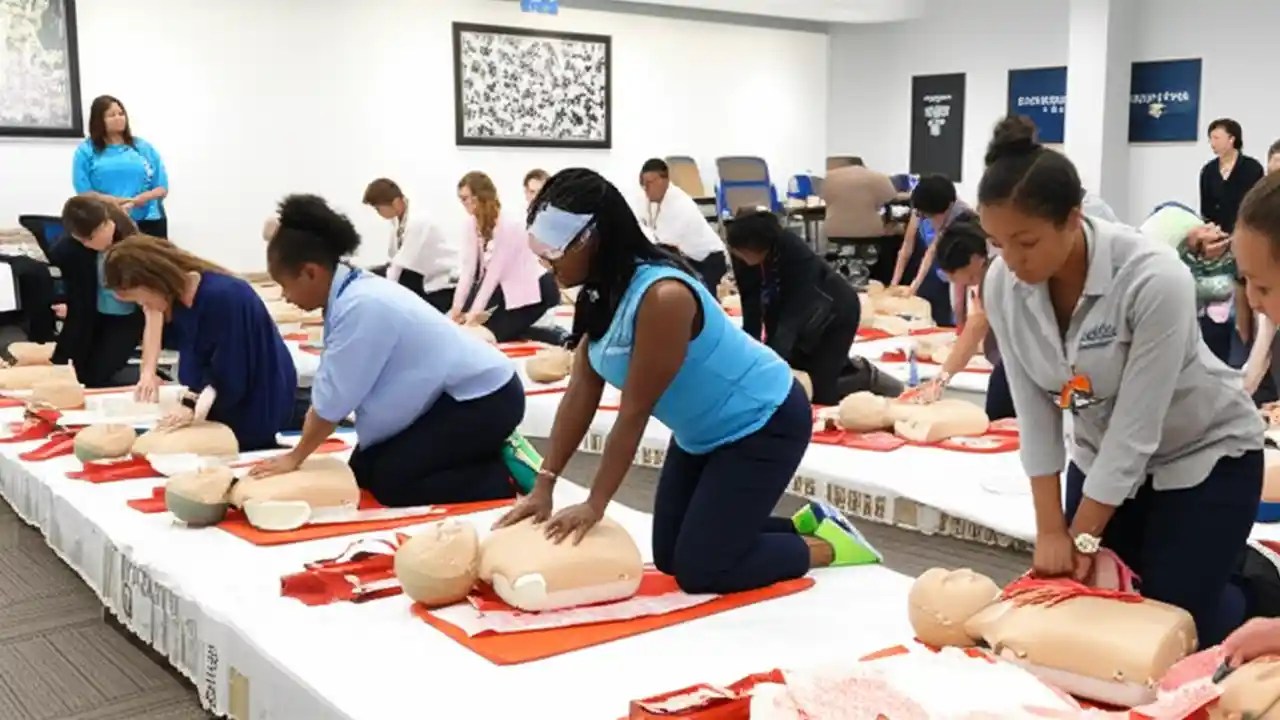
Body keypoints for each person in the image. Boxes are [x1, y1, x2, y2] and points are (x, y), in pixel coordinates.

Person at [493, 168, 881, 594]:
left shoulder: (663, 297)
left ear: (591, 239)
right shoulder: (598, 293)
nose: (546, 263)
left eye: (552, 251)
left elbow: (634, 412)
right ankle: (786, 524)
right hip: (701, 434)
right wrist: (543, 485)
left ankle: (827, 545)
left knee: (702, 571)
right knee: (671, 555)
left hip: (763, 422)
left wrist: (594, 504)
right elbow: (581, 393)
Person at [978, 115, 1265, 649]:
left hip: (1201, 454)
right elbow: (1036, 411)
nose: (1012, 261)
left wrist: (1081, 534)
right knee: (1084, 614)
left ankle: (1255, 592)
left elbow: (1137, 428)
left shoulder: (1153, 277)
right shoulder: (1004, 285)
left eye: (1026, 242)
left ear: (1072, 218)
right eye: (997, 244)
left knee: (1173, 626)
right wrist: (1050, 532)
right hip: (1099, 456)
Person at [250, 195, 524, 507]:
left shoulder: (362, 305)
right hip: (446, 395)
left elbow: (331, 406)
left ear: (311, 272)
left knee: (395, 483)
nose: (285, 296)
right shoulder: (349, 293)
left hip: (483, 398)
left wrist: (295, 456)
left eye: (285, 285)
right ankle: (471, 453)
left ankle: (502, 476)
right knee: (363, 471)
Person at [101, 236, 296, 450]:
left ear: (154, 280)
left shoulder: (223, 296)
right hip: (222, 394)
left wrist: (191, 403)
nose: (143, 306)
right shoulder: (180, 301)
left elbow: (231, 365)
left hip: (254, 400)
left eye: (142, 299)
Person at [726, 210, 861, 406]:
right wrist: (752, 351)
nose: (738, 257)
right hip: (795, 309)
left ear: (759, 247)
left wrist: (772, 358)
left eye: (742, 253)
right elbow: (751, 301)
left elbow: (793, 313)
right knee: (787, 369)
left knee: (822, 378)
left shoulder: (795, 255)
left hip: (836, 312)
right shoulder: (742, 252)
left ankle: (856, 386)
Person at [55, 197, 166, 396]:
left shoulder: (133, 250)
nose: (91, 243)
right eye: (85, 240)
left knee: (97, 374)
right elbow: (77, 295)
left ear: (107, 223)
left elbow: (153, 313)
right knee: (71, 372)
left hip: (125, 320)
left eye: (96, 234)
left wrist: (147, 371)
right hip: (91, 315)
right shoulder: (71, 249)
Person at [915, 221, 1013, 419]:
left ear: (975, 259)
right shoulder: (993, 272)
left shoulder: (997, 274)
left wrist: (942, 377)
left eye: (952, 274)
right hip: (1011, 364)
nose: (953, 280)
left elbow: (977, 324)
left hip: (1016, 367)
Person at [451, 171, 561, 343]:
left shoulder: (509, 224)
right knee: (469, 326)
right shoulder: (471, 223)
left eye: (465, 198)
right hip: (506, 289)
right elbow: (469, 270)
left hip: (535, 289)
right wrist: (457, 309)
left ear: (478, 197)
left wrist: (473, 315)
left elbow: (494, 273)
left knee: (486, 333)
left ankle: (558, 336)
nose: (463, 203)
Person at [72, 95, 170, 238]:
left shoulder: (142, 147)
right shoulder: (86, 151)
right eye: (112, 115)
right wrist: (118, 203)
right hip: (109, 223)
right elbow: (84, 193)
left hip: (149, 220)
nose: (119, 118)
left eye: (121, 113)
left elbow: (161, 187)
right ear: (99, 120)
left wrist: (139, 200)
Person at [890, 174, 976, 327]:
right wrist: (894, 283)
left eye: (932, 216)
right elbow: (907, 247)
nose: (929, 219)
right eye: (925, 215)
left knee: (958, 304)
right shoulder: (921, 209)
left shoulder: (961, 217)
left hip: (960, 262)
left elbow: (932, 251)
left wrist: (913, 286)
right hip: (937, 264)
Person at [361, 178, 456, 313]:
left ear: (396, 203)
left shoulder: (418, 221)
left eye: (378, 208)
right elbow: (393, 258)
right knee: (368, 275)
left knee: (391, 293)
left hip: (441, 283)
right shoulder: (397, 219)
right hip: (420, 275)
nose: (378, 213)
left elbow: (400, 264)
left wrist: (386, 296)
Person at [634, 158, 728, 294]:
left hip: (708, 260)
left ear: (664, 180)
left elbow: (661, 244)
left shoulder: (679, 204)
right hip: (687, 257)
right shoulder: (652, 201)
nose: (646, 189)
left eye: (649, 183)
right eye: (643, 184)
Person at [821, 163, 902, 287]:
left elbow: (823, 198)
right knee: (894, 235)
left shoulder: (829, 178)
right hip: (870, 232)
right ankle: (883, 279)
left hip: (834, 231)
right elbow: (891, 198)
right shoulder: (878, 178)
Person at [1200, 118, 1265, 234]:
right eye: (1210, 139)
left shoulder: (1252, 168)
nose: (1212, 143)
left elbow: (1258, 205)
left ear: (1231, 139)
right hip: (1217, 235)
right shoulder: (1208, 170)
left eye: (1216, 138)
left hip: (1246, 233)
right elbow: (1206, 208)